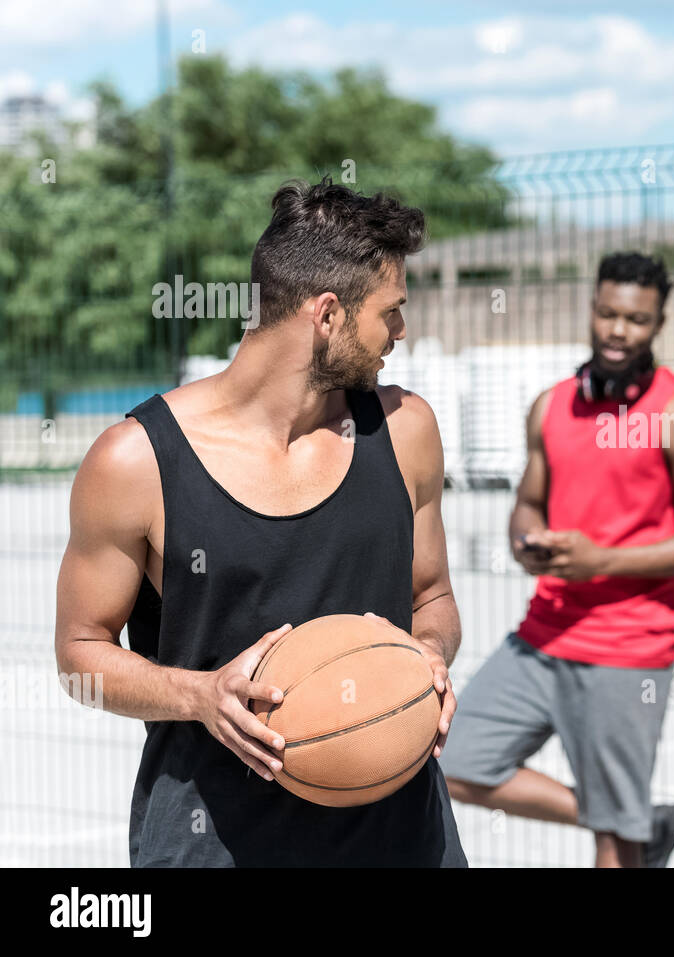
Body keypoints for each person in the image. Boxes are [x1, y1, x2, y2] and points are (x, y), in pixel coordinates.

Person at [54, 178, 465, 866]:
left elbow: (435, 597)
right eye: (391, 312)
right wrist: (199, 693)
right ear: (327, 313)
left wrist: (428, 653)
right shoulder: (136, 461)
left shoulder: (405, 429)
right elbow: (77, 655)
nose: (401, 332)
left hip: (404, 836)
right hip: (215, 841)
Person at [440, 252, 674, 868]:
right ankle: (642, 824)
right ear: (591, 309)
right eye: (608, 313)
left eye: (637, 320)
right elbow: (527, 505)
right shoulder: (551, 405)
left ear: (659, 324)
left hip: (629, 648)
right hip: (544, 633)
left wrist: (603, 560)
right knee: (453, 761)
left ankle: (631, 827)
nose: (619, 330)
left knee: (614, 841)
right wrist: (525, 540)